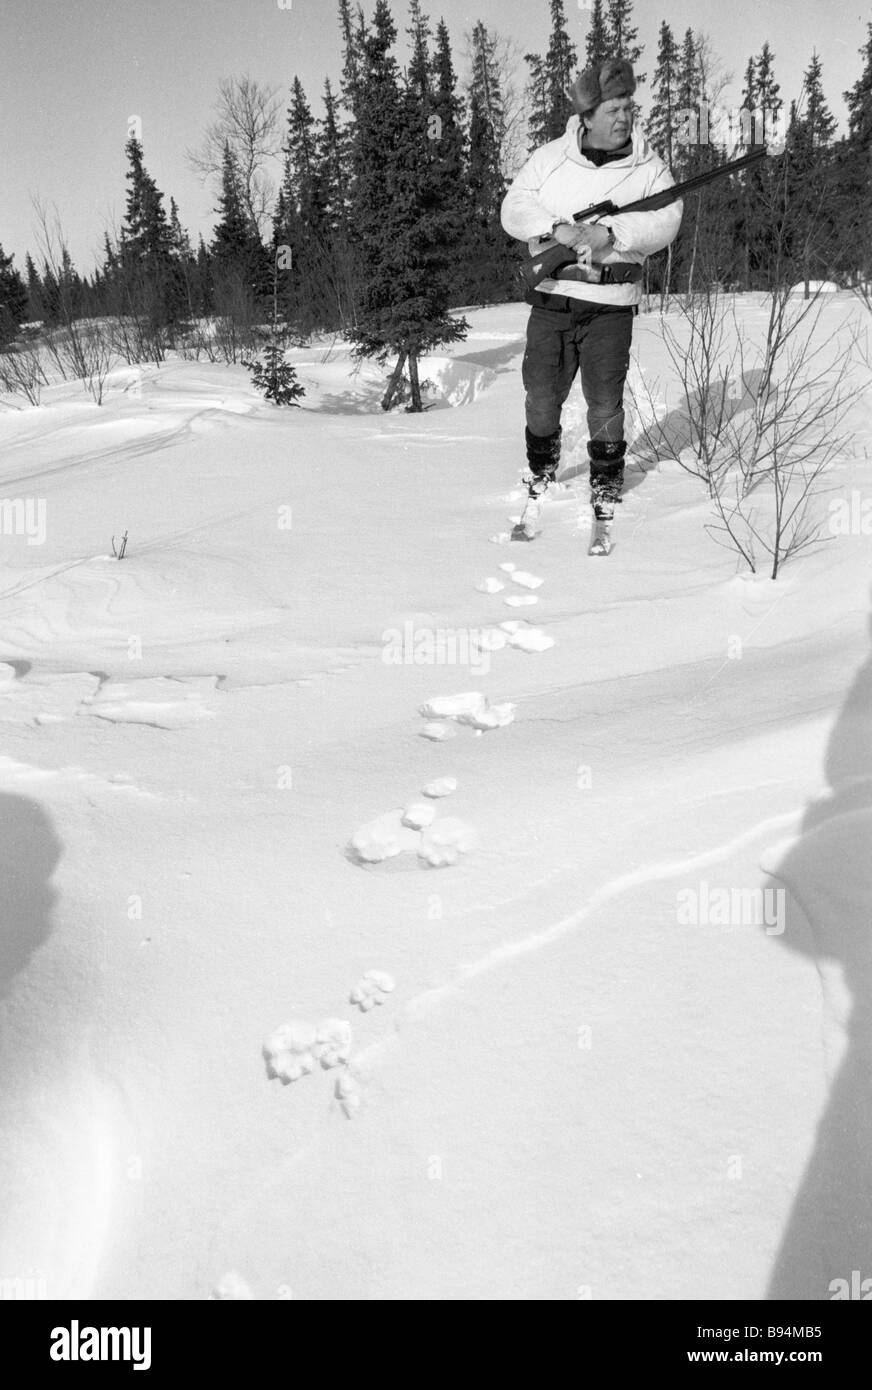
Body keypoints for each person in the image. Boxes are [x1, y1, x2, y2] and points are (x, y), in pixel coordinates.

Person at [501, 59, 683, 549]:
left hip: (610, 305)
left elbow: (667, 219)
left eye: (629, 106)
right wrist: (556, 229)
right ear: (585, 116)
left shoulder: (649, 167)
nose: (624, 116)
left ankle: (605, 479)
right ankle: (541, 468)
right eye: (612, 108)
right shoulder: (549, 160)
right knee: (541, 394)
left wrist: (612, 233)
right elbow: (513, 208)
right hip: (553, 300)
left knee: (605, 401)